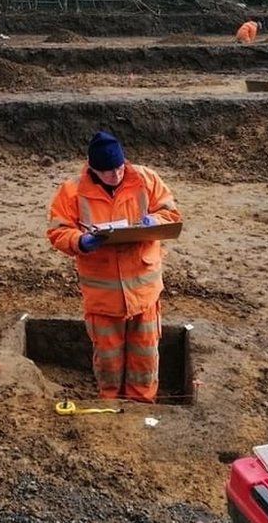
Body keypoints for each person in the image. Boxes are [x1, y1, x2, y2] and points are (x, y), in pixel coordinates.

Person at [46, 132, 182, 403]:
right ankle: (110, 404)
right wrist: (81, 241)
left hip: (144, 291)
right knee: (108, 357)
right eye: (107, 172)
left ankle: (142, 404)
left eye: (119, 168)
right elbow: (58, 232)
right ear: (93, 168)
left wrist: (152, 221)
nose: (116, 175)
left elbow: (171, 214)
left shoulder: (145, 179)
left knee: (144, 356)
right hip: (103, 298)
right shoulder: (71, 191)